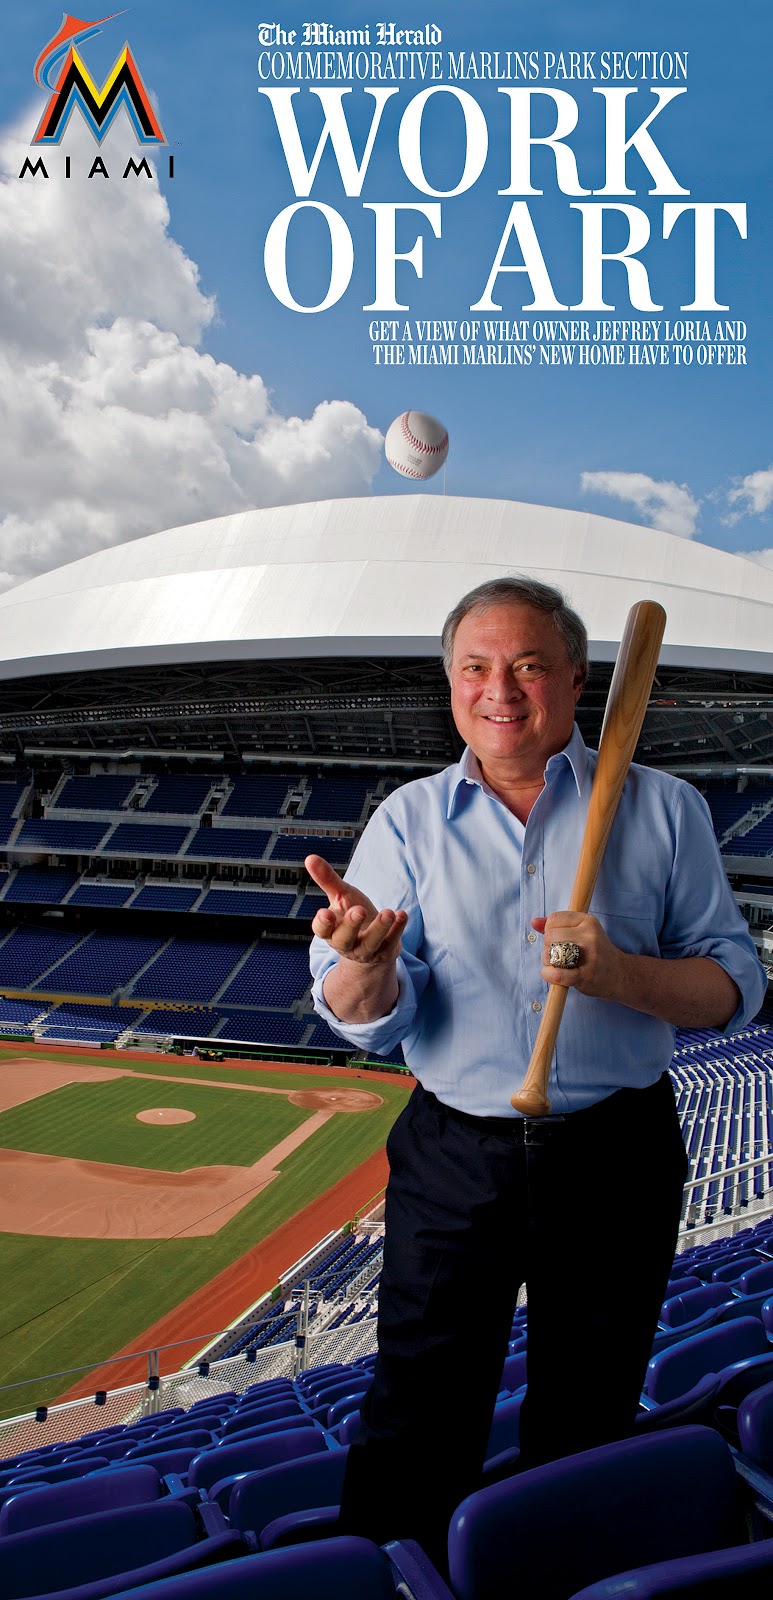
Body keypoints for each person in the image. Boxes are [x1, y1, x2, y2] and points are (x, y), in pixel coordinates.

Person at [306, 576, 767, 1570]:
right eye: (474, 667)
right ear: (449, 682)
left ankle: (561, 1577)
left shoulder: (666, 809)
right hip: (453, 1155)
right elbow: (364, 1015)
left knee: (589, 1405)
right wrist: (367, 964)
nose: (499, 690)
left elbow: (733, 987)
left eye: (526, 665)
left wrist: (619, 973)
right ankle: (390, 1579)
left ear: (575, 678)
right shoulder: (406, 821)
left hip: (615, 1149)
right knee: (415, 1407)